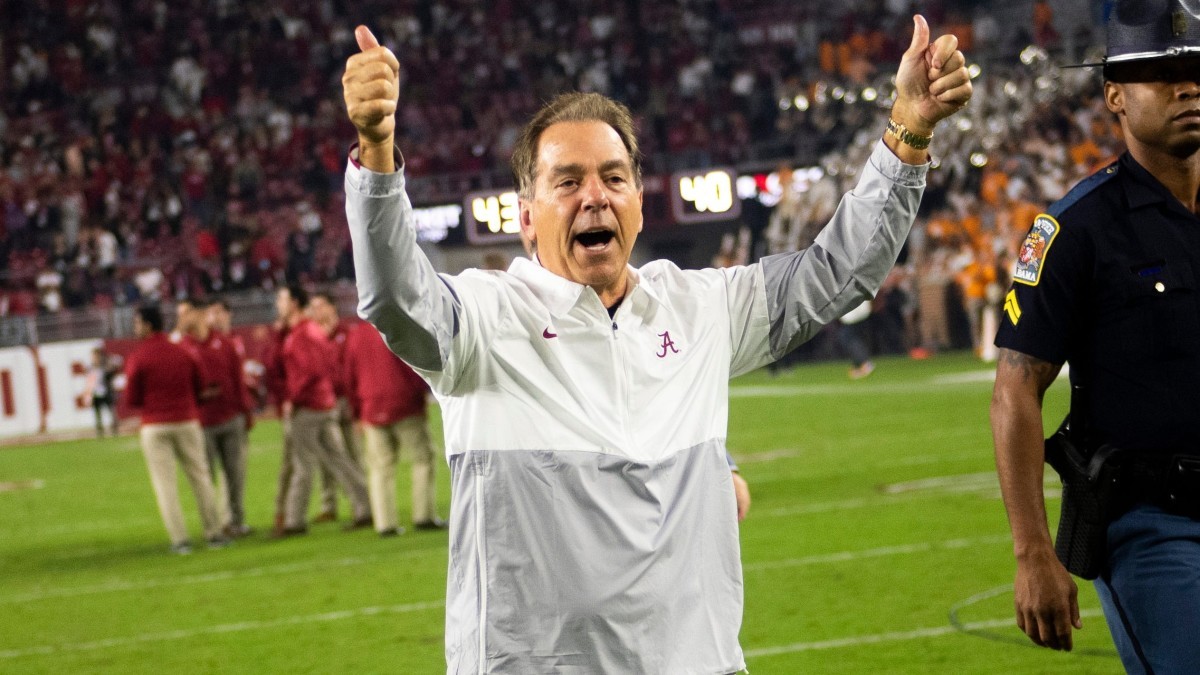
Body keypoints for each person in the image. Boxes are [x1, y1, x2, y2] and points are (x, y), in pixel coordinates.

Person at [344, 16, 970, 672]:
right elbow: (394, 296)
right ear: (526, 215)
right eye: (567, 181)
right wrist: (377, 148)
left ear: (639, 201)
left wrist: (909, 128)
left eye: (614, 178)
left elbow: (838, 273)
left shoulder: (701, 308)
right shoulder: (482, 320)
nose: (595, 196)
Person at [991, 2, 1200, 670]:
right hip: (1152, 524)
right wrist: (1032, 551)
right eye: (1158, 75)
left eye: (1196, 71)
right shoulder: (1077, 227)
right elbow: (1015, 390)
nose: (1187, 86)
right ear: (1115, 94)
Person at [123, 305, 227, 555]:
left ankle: (180, 540)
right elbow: (200, 386)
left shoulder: (139, 357)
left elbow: (131, 398)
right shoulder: (183, 352)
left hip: (155, 424)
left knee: (165, 485)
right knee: (201, 478)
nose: (135, 328)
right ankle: (213, 533)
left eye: (138, 323)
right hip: (187, 420)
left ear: (148, 325)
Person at [273, 285, 372, 536]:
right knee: (340, 460)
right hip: (324, 403)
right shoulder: (311, 330)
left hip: (309, 407)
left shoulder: (302, 333)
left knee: (302, 463)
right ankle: (365, 508)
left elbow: (310, 370)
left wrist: (293, 400)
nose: (278, 304)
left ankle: (294, 520)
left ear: (294, 303)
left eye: (282, 299)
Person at [344, 318, 444, 536]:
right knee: (422, 459)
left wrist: (357, 412)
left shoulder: (356, 334)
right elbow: (414, 367)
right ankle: (423, 516)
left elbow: (349, 375)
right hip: (404, 404)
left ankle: (384, 523)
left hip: (370, 406)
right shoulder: (398, 327)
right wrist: (422, 396)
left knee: (380, 468)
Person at [307, 291, 360, 522]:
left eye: (320, 306)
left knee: (352, 452)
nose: (316, 312)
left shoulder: (347, 333)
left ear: (332, 307)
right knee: (327, 455)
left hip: (344, 398)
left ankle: (361, 501)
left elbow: (351, 368)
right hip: (324, 402)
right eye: (313, 307)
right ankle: (329, 505)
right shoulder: (313, 336)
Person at [82, 346, 120, 437]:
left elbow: (112, 374)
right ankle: (100, 431)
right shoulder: (90, 368)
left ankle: (114, 430)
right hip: (95, 394)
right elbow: (88, 382)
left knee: (111, 412)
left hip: (106, 392)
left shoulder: (105, 366)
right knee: (97, 414)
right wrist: (87, 394)